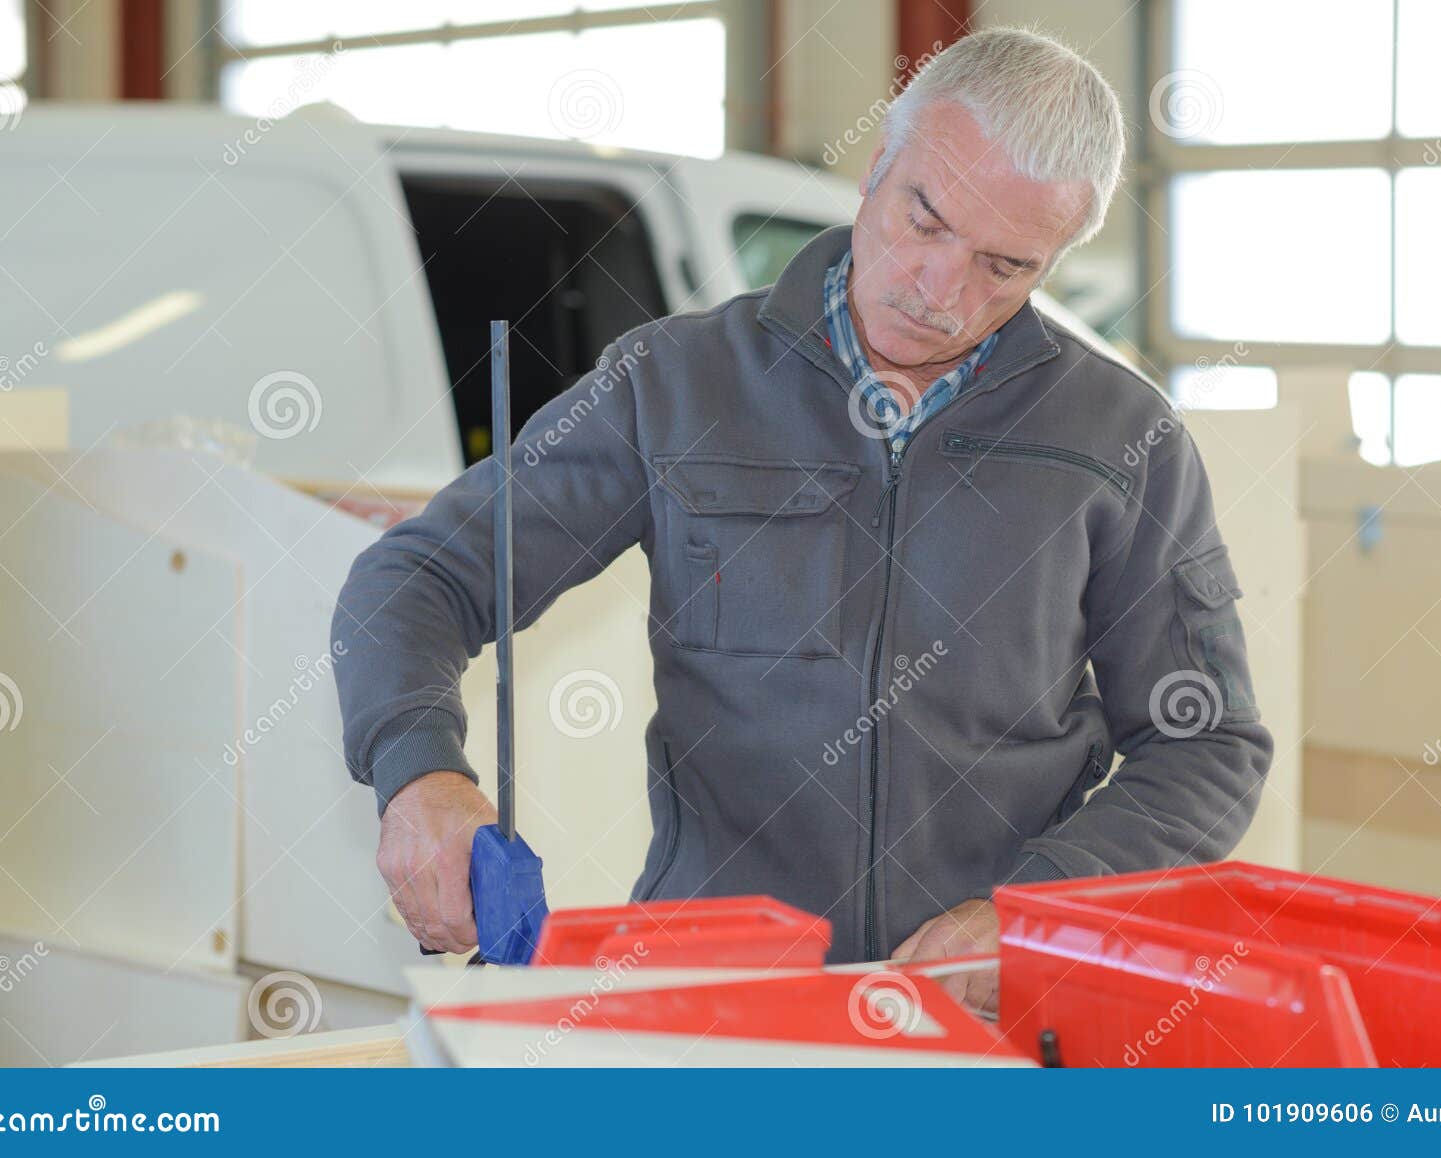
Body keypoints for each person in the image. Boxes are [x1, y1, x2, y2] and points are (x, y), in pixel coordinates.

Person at [332, 27, 1272, 1014]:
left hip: (988, 1016)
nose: (941, 292)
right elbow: (418, 579)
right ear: (876, 169)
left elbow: (1206, 743)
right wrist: (420, 777)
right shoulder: (676, 384)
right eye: (925, 221)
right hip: (713, 999)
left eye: (1004, 266)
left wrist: (1038, 913)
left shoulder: (1121, 439)